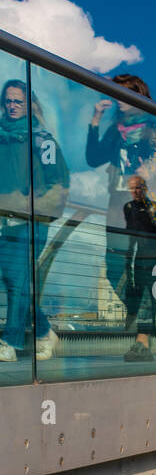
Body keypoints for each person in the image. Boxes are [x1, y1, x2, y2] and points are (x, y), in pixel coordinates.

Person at [86, 74, 156, 337]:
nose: (118, 99)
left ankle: (142, 340)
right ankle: (137, 312)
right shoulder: (115, 131)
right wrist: (95, 119)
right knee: (114, 268)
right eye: (115, 93)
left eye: (124, 93)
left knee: (144, 273)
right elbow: (92, 158)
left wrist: (153, 171)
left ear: (139, 96)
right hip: (118, 208)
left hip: (149, 211)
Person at [0, 79, 68, 363]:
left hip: (31, 221)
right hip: (3, 221)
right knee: (14, 281)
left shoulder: (44, 140)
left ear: (30, 105)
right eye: (8, 101)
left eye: (19, 101)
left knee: (17, 282)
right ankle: (43, 332)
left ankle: (9, 343)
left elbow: (59, 181)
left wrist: (33, 207)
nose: (13, 106)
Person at [120, 175, 156, 362]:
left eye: (138, 188)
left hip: (150, 257)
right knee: (132, 294)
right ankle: (140, 336)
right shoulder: (127, 208)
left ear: (145, 188)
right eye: (131, 188)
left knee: (146, 298)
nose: (135, 192)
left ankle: (143, 341)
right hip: (133, 257)